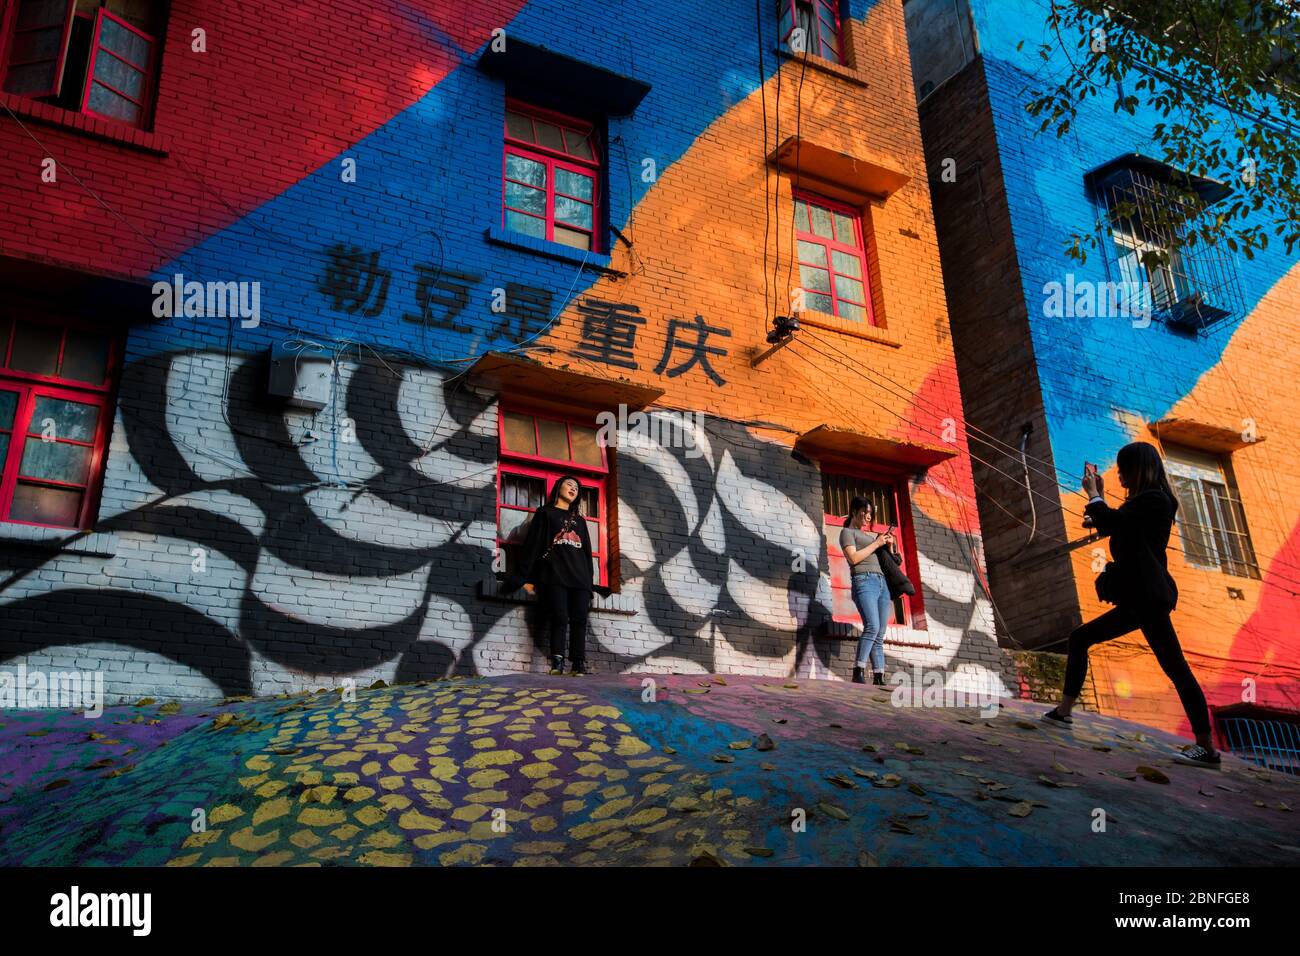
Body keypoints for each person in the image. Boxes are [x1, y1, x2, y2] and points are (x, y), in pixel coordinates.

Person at [1042, 442, 1220, 768]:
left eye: (1123, 469)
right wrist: (1099, 503)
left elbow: (1113, 523)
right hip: (1139, 597)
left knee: (1176, 668)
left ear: (1139, 469)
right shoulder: (1143, 502)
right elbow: (1115, 522)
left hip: (1148, 597)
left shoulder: (1155, 500)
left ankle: (1206, 748)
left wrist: (1093, 494)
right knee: (1081, 638)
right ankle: (1064, 712)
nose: (1119, 474)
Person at [503, 475, 608, 676]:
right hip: (554, 576)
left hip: (580, 579)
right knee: (559, 617)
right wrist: (523, 577)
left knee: (579, 620)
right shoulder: (545, 513)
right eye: (569, 484)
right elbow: (533, 545)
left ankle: (578, 663)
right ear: (558, 487)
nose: (573, 488)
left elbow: (587, 554)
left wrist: (590, 583)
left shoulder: (580, 521)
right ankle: (557, 662)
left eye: (577, 487)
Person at [839, 496, 899, 685]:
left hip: (882, 584)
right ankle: (858, 670)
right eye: (865, 512)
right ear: (855, 511)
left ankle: (879, 676)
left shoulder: (871, 537)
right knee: (872, 626)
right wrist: (876, 543)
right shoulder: (847, 532)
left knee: (880, 632)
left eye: (870, 513)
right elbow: (853, 558)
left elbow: (894, 562)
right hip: (864, 581)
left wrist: (888, 546)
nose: (868, 516)